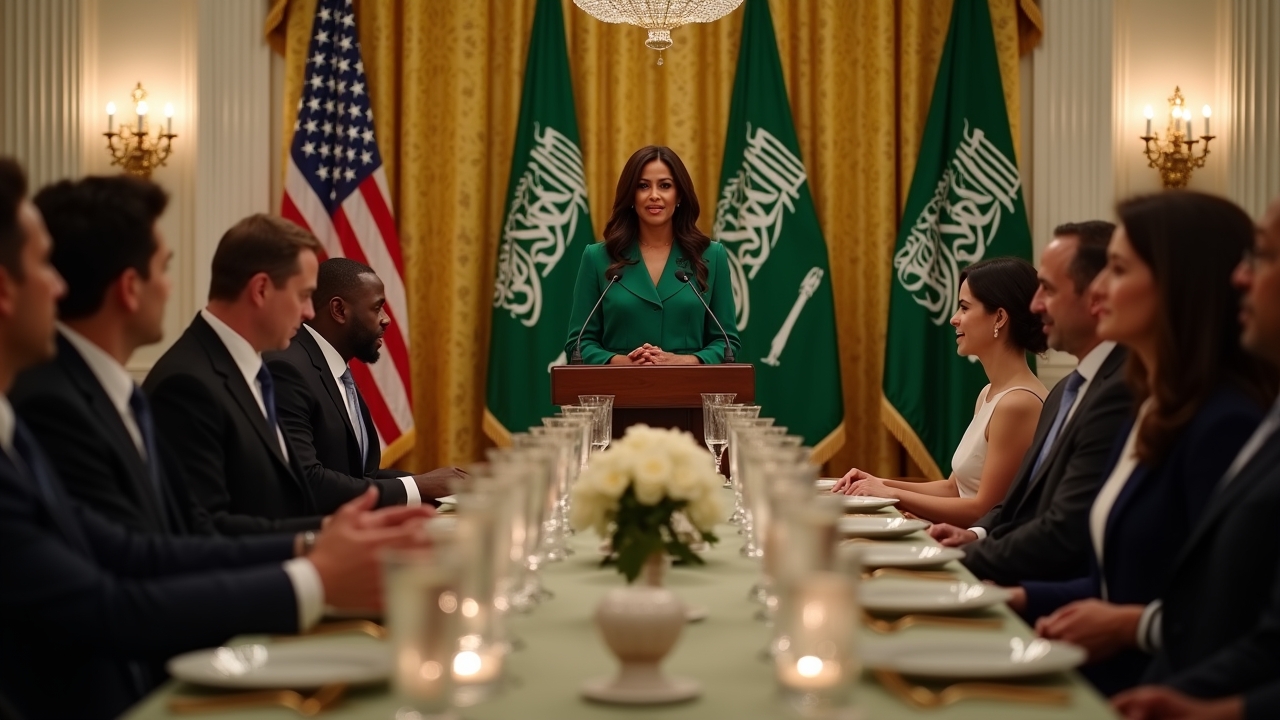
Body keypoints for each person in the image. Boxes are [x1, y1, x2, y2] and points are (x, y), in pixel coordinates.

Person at [0, 157, 433, 720]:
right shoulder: (59, 401)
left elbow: (141, 548)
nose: (56, 286)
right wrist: (315, 576)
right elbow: (103, 604)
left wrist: (314, 547)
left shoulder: (93, 398)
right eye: (40, 265)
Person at [1007, 192, 1276, 696]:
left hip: (1152, 688)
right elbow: (1113, 583)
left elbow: (1219, 611)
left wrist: (1130, 630)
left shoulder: (1225, 422)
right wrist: (1021, 596)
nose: (1099, 288)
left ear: (1180, 285)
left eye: (1118, 270)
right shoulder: (1147, 408)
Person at [1110, 197, 1280, 720]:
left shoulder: (1227, 419)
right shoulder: (1147, 403)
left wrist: (1215, 709)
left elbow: (1239, 623)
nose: (1241, 279)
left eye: (1265, 257)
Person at [927, 222, 1133, 585]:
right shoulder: (1063, 392)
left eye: (1049, 289)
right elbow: (1020, 504)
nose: (1036, 305)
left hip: (1046, 585)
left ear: (1098, 296)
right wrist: (975, 536)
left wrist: (966, 554)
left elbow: (1064, 529)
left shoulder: (1118, 392)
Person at [10, 175, 214, 535]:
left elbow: (192, 527)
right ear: (130, 289)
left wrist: (309, 549)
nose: (169, 287)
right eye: (164, 268)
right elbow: (133, 563)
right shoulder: (50, 404)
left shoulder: (125, 396)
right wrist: (311, 565)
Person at [144, 214, 325, 534]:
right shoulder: (186, 385)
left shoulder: (253, 370)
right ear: (261, 290)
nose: (310, 312)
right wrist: (325, 534)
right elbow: (206, 528)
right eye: (303, 295)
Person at [834, 257, 1047, 527]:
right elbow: (954, 489)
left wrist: (892, 494)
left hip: (986, 559)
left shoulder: (1017, 403)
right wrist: (876, 482)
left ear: (1000, 317)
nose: (954, 319)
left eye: (964, 308)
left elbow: (985, 510)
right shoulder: (988, 393)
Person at [266, 257, 462, 508]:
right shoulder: (287, 370)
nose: (386, 319)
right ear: (339, 310)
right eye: (376, 307)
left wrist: (440, 486)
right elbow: (308, 480)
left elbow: (358, 477)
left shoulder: (332, 368)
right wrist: (418, 486)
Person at [564, 145, 741, 365]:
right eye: (643, 186)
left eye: (665, 186)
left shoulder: (711, 255)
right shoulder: (597, 257)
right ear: (631, 195)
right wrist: (626, 362)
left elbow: (726, 343)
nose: (654, 195)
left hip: (689, 392)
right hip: (619, 393)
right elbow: (578, 344)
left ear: (679, 195)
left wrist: (681, 361)